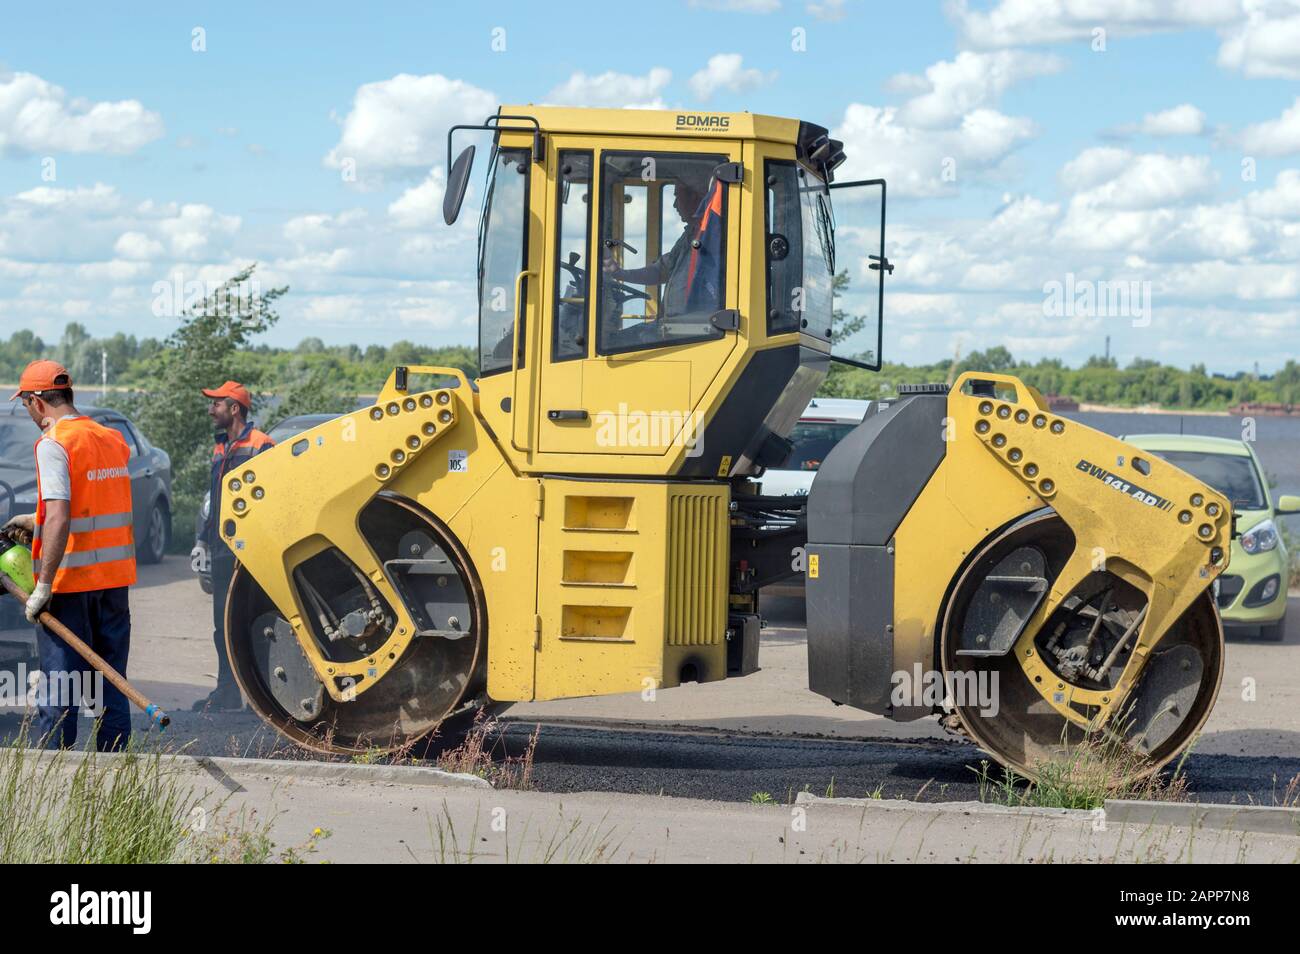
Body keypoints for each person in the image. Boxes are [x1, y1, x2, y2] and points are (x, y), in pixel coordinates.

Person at [2, 361, 135, 750]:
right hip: (114, 581)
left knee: (60, 685)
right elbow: (91, 503)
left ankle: (53, 777)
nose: (28, 413)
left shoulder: (53, 443)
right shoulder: (111, 439)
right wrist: (35, 517)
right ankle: (115, 771)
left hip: (71, 586)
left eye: (26, 403)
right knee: (111, 680)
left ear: (38, 402)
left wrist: (43, 585)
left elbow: (61, 513)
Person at [193, 381, 274, 711]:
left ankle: (265, 700)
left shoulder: (262, 445)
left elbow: (271, 502)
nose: (211, 410)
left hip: (249, 553)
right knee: (222, 627)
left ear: (235, 408)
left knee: (252, 623)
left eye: (217, 404)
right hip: (222, 550)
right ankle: (227, 693)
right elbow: (215, 500)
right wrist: (201, 543)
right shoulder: (221, 447)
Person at [603, 171, 726, 322]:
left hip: (691, 327)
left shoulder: (713, 238)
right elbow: (661, 270)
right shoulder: (689, 236)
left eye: (676, 196)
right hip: (674, 324)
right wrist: (620, 273)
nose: (674, 205)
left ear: (694, 196)